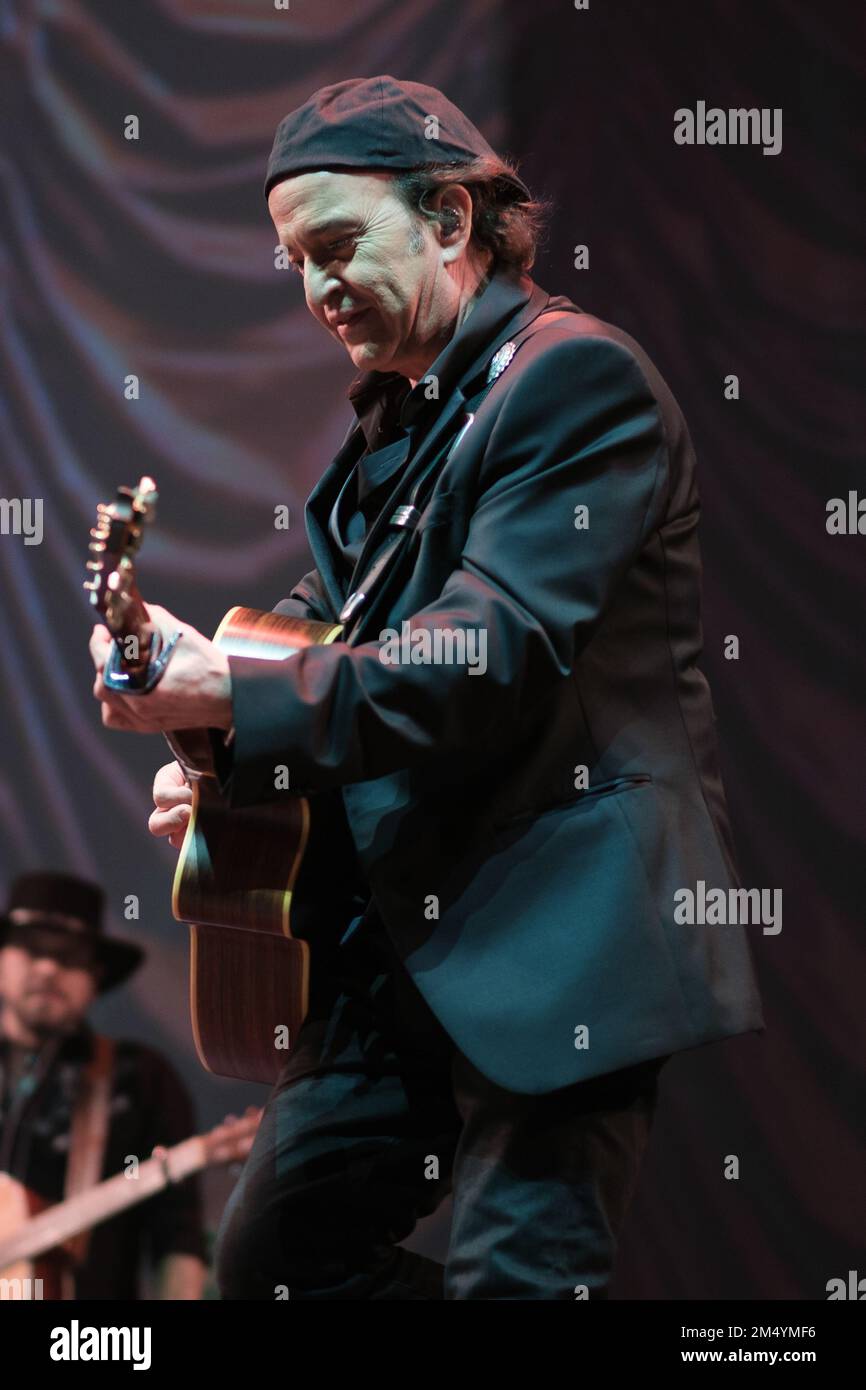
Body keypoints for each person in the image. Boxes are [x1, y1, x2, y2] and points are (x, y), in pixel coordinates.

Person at [89, 75, 765, 1300]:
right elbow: (329, 640)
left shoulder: (570, 384)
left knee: (514, 1279)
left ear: (450, 219)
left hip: (562, 936)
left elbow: (476, 656)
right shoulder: (396, 432)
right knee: (273, 1269)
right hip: (404, 946)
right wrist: (217, 748)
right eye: (295, 261)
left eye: (338, 246)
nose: (315, 288)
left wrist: (234, 692)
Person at [0, 871, 207, 1299]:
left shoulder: (139, 1078)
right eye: (32, 947)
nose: (48, 968)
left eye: (70, 956)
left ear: (96, 977)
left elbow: (178, 1235)